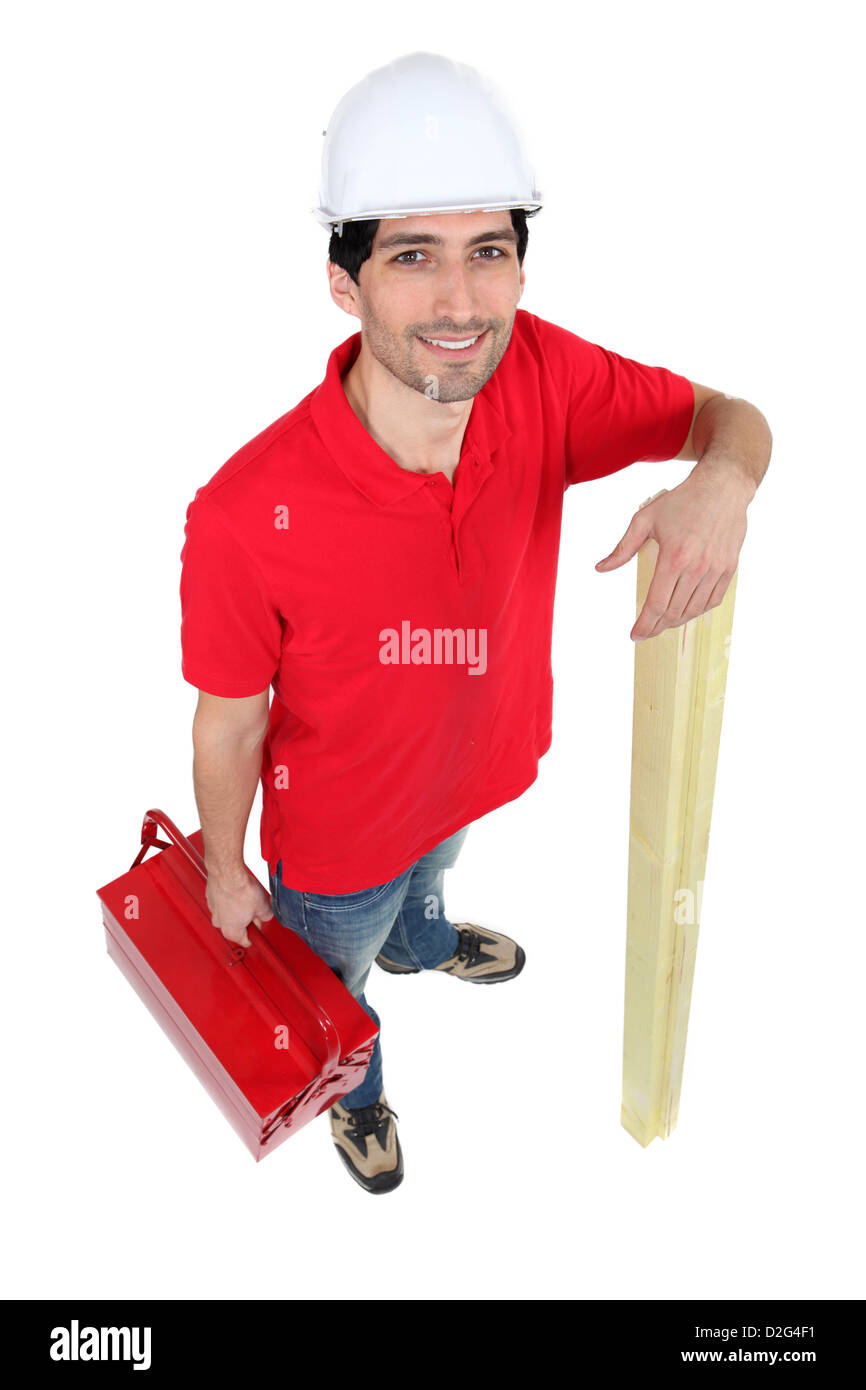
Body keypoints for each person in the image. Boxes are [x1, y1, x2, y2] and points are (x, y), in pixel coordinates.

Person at [179, 52, 771, 1195]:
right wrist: (219, 865)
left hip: (476, 770)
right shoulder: (247, 512)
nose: (459, 303)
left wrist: (720, 483)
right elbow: (229, 724)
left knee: (436, 868)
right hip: (336, 850)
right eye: (412, 257)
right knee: (335, 984)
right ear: (343, 284)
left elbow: (727, 417)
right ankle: (362, 1090)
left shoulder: (541, 373)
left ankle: (423, 939)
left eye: (486, 253)